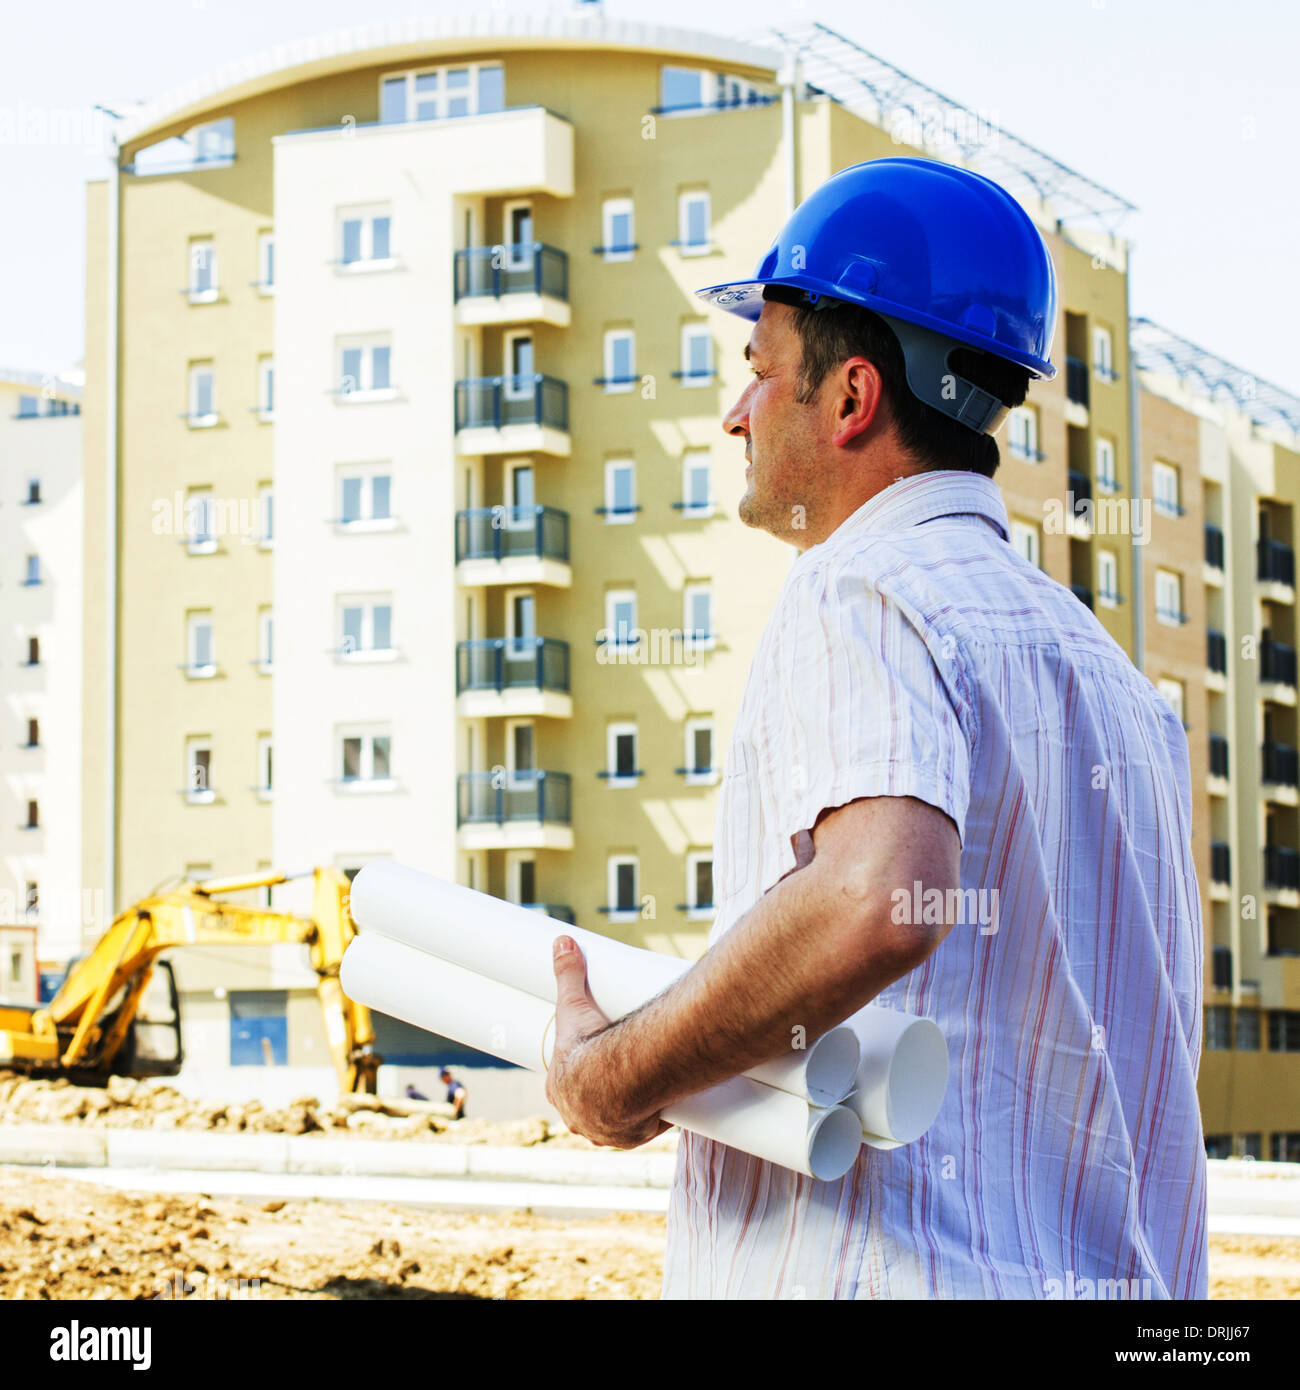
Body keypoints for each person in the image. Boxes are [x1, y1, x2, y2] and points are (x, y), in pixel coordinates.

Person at [544, 156, 1208, 1299]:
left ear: (850, 399)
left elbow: (874, 896)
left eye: (758, 372)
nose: (733, 411)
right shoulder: (1114, 685)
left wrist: (614, 1076)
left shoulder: (860, 587)